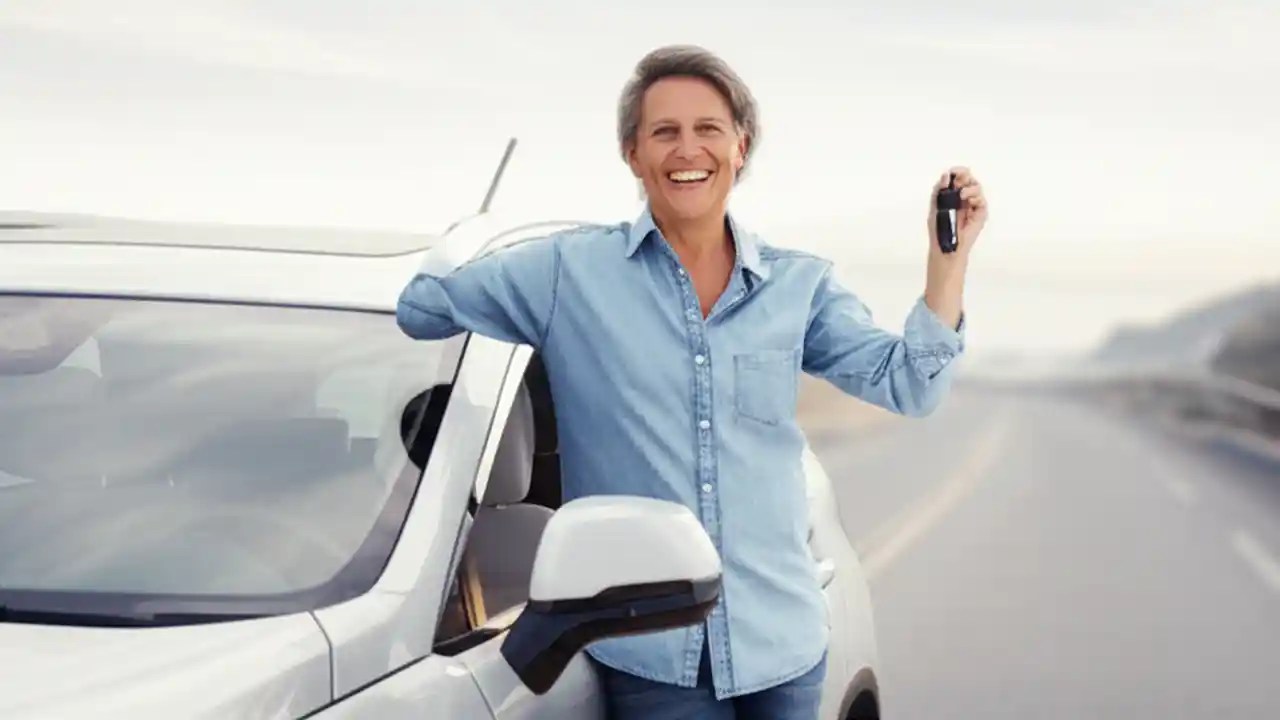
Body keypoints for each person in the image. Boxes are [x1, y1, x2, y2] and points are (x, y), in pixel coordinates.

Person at [397, 44, 986, 720]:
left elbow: (911, 385)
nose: (688, 150)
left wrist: (948, 263)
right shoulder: (566, 273)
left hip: (784, 647)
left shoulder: (800, 286)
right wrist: (467, 248)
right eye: (664, 131)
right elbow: (420, 308)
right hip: (650, 654)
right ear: (632, 153)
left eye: (708, 129)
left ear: (741, 146)